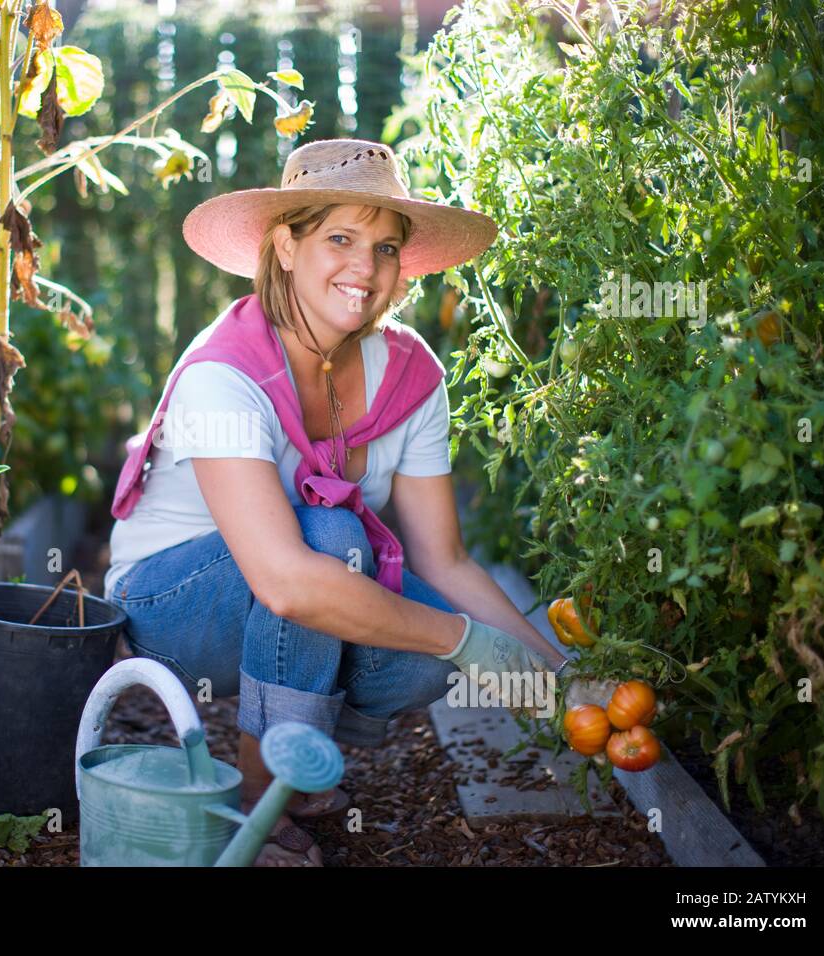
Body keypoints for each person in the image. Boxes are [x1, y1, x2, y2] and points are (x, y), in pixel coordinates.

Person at [103, 138, 568, 866]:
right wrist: (466, 639)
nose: (366, 267)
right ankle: (255, 808)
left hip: (303, 582)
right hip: (174, 607)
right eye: (340, 239)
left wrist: (554, 670)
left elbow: (444, 561)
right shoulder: (224, 375)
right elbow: (286, 580)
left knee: (420, 655)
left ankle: (297, 751)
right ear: (286, 247)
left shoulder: (412, 377)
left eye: (386, 248)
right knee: (332, 540)